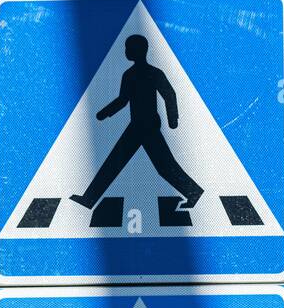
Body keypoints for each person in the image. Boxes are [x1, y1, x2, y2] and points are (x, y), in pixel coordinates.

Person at [70, 34, 203, 211]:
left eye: (128, 48)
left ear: (137, 51)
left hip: (147, 127)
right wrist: (104, 113)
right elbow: (123, 100)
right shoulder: (132, 74)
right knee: (117, 163)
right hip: (137, 126)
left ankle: (193, 191)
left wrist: (173, 119)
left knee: (162, 166)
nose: (126, 51)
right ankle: (89, 198)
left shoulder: (148, 73)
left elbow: (169, 94)